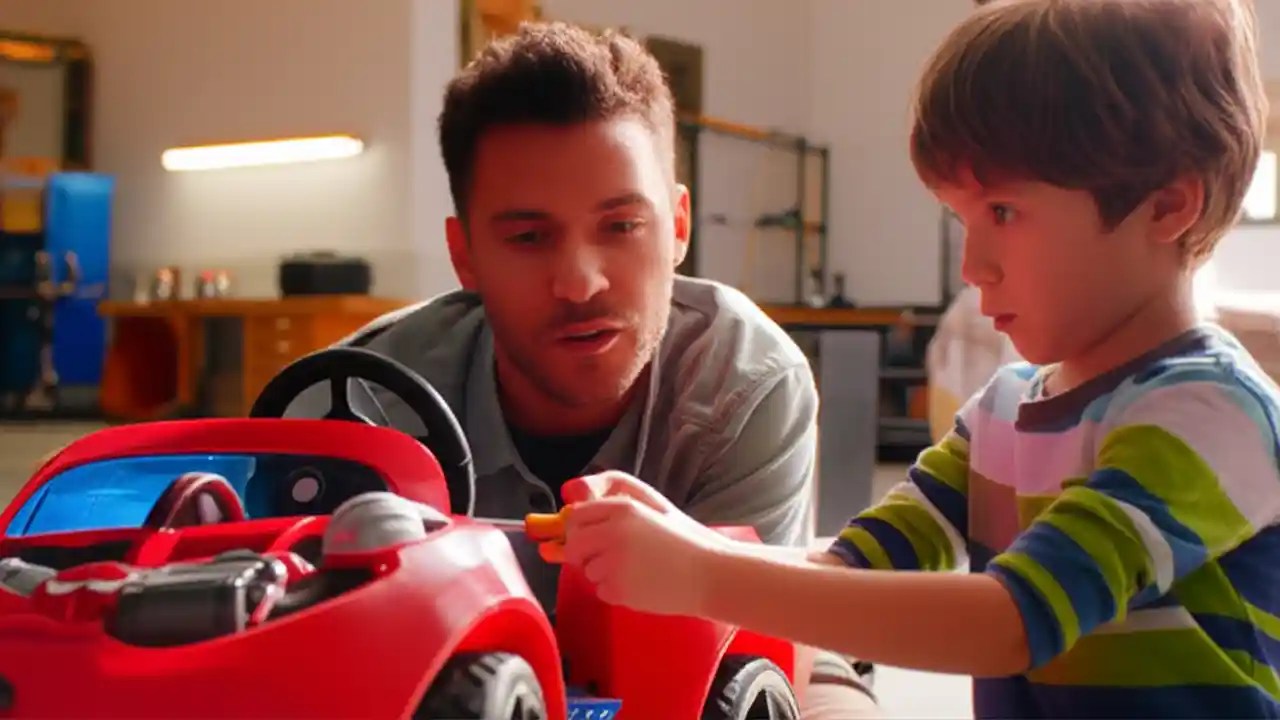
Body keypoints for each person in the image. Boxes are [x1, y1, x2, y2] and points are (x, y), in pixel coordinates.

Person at [556, 0, 1280, 718]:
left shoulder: (1211, 415)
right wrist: (689, 545)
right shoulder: (1004, 411)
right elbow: (846, 571)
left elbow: (1010, 621)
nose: (973, 266)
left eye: (1002, 213)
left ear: (1166, 206)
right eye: (961, 219)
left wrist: (704, 577)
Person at [286, 21, 879, 717]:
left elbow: (749, 661)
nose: (579, 282)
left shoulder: (748, 385)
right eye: (530, 238)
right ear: (465, 254)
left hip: (723, 653)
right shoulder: (359, 403)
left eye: (621, 226)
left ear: (679, 226)